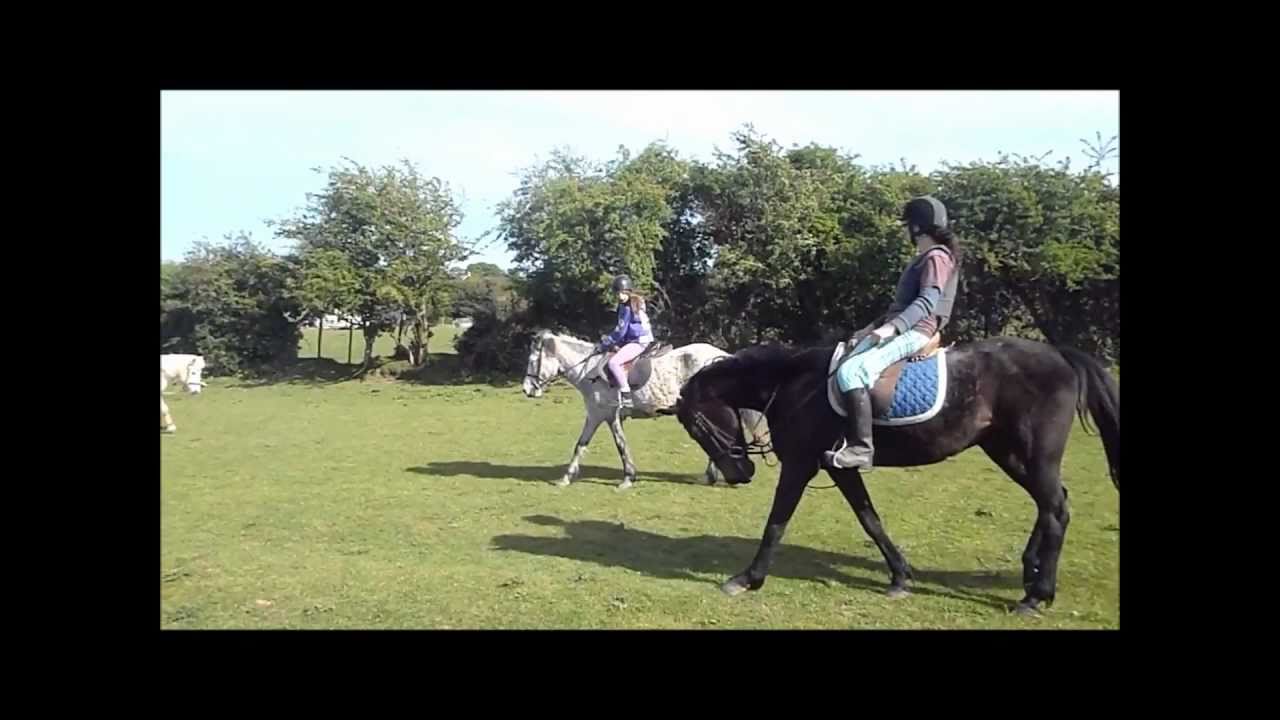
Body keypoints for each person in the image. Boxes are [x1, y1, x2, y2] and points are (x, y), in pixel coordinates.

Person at [823, 195, 962, 471]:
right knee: (844, 361)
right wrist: (867, 330)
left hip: (916, 331)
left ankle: (862, 448)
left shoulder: (936, 257)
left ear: (916, 227)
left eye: (906, 225)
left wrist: (892, 328)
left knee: (851, 373)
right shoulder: (925, 258)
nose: (904, 230)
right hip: (903, 326)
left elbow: (927, 302)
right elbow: (898, 307)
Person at [596, 274, 654, 409]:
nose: (620, 296)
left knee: (613, 362)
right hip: (640, 338)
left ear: (628, 291)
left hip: (638, 341)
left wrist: (606, 343)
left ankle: (626, 396)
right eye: (617, 293)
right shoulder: (636, 302)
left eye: (623, 293)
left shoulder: (626, 307)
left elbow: (621, 331)